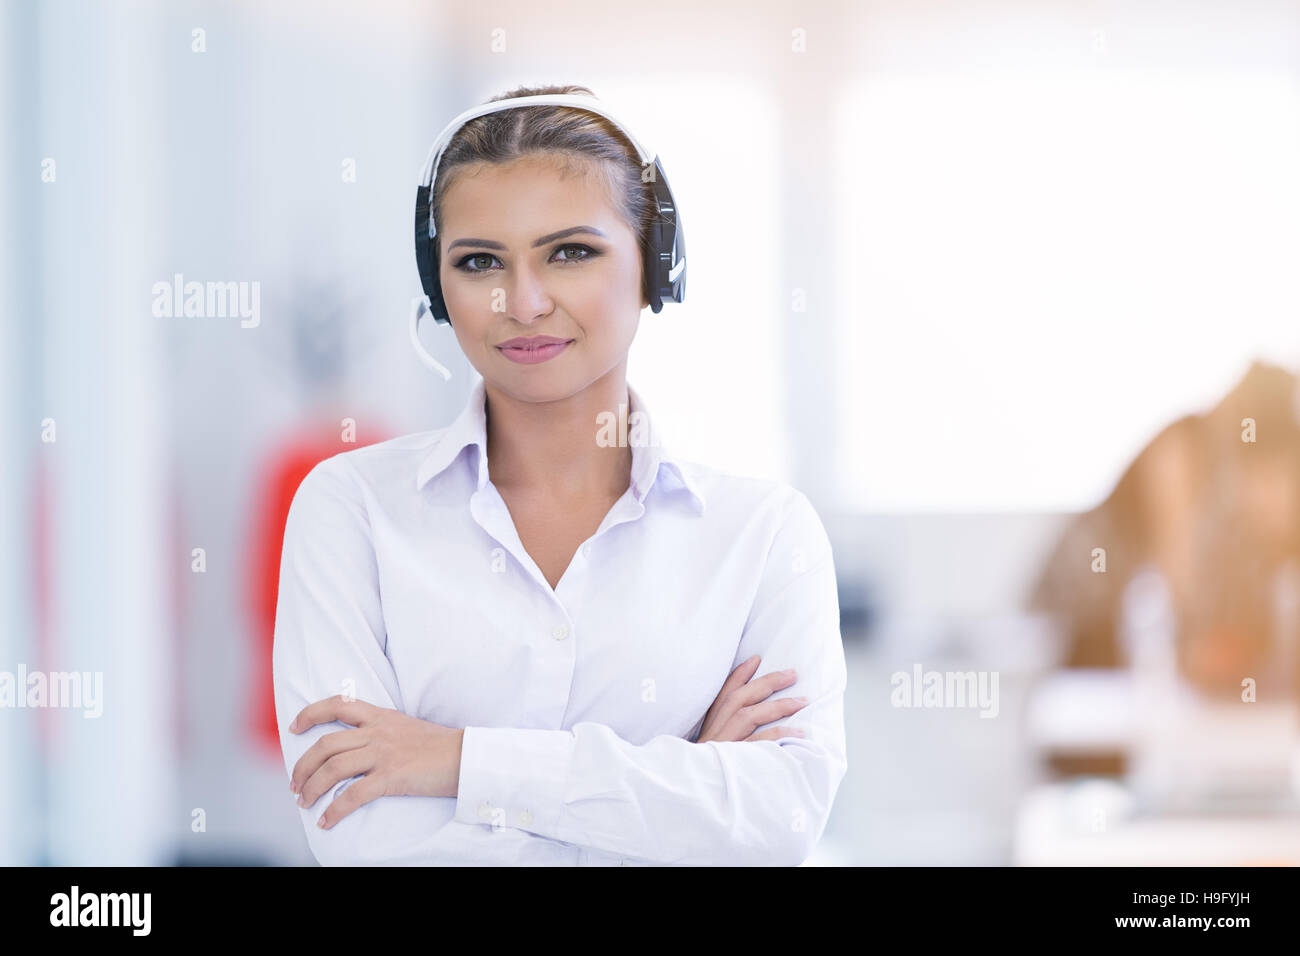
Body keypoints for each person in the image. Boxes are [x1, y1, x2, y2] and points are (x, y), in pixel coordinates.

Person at [272, 84, 848, 866]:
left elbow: (776, 823)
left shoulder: (764, 533)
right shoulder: (350, 510)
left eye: (570, 252)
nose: (525, 301)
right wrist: (684, 787)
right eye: (480, 262)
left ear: (656, 263)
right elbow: (361, 832)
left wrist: (456, 760)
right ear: (437, 288)